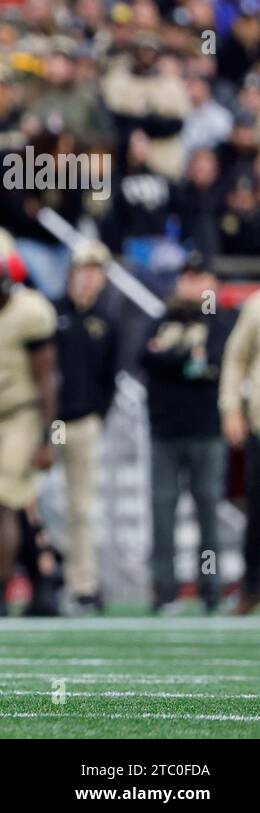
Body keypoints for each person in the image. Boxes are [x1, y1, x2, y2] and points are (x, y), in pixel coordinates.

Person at [0, 226, 61, 616]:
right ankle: (41, 585)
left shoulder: (32, 311)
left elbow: (47, 381)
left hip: (21, 414)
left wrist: (48, 438)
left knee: (5, 499)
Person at [142, 251, 234, 613]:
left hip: (206, 428)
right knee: (162, 510)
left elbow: (211, 362)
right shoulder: (162, 317)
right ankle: (165, 589)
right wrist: (185, 361)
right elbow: (145, 358)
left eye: (199, 276)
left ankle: (210, 587)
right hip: (165, 429)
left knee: (207, 509)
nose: (192, 283)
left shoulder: (221, 319)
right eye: (187, 276)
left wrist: (174, 359)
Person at [51, 239, 119, 613]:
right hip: (46, 424)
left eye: (96, 272)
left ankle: (84, 584)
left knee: (82, 509)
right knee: (29, 499)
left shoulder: (106, 323)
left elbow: (110, 379)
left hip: (82, 422)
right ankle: (35, 572)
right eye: (83, 270)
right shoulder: (50, 312)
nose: (88, 279)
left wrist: (96, 416)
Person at [220, 286, 260, 616]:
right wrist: (231, 407)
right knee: (257, 510)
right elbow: (236, 357)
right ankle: (252, 587)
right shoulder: (256, 305)